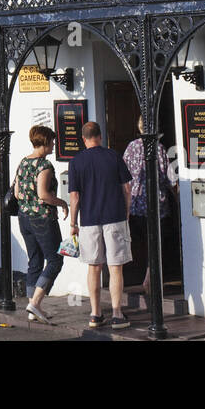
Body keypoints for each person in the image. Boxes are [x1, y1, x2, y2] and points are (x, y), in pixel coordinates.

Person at [68, 120, 133, 330]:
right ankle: (116, 314)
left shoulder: (76, 162)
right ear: (100, 136)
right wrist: (126, 214)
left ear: (83, 139)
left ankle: (95, 314)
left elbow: (75, 196)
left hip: (89, 221)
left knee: (94, 267)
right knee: (116, 268)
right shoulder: (113, 156)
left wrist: (73, 223)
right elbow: (127, 189)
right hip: (114, 217)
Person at [14, 126, 69, 324]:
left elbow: (17, 193)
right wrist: (62, 203)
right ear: (44, 142)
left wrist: (27, 206)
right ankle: (35, 303)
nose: (53, 145)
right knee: (55, 260)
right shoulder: (44, 166)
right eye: (52, 141)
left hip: (24, 218)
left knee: (34, 261)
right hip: (42, 218)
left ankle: (32, 309)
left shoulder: (23, 162)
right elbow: (43, 194)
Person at [123, 116, 175, 294]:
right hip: (156, 205)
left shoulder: (131, 147)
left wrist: (126, 205)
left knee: (143, 243)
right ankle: (150, 278)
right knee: (156, 243)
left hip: (136, 204)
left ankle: (143, 276)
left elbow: (124, 178)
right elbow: (169, 177)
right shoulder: (159, 148)